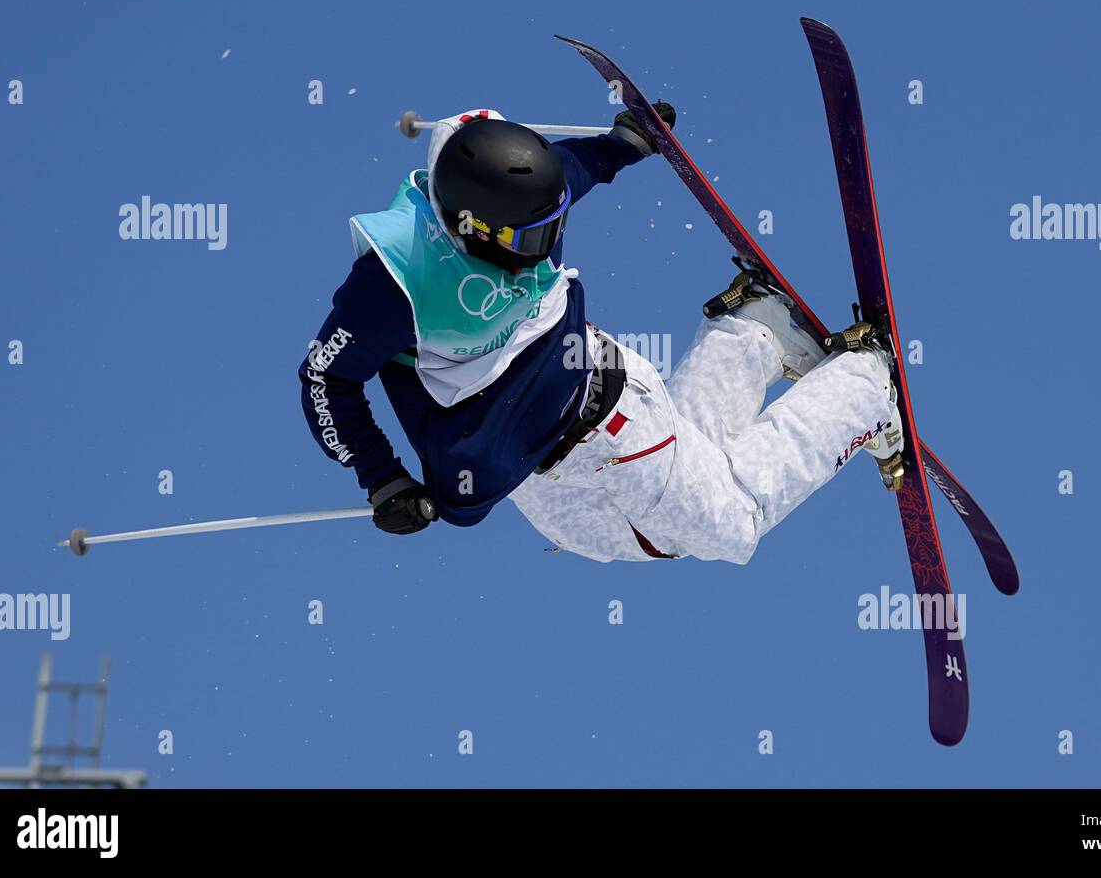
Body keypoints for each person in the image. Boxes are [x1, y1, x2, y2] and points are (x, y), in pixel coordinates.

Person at [299, 108, 901, 564]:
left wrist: (623, 144)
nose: (544, 249)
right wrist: (382, 478)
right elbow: (326, 378)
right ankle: (752, 334)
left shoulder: (525, 203)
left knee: (731, 521)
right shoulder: (398, 282)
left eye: (553, 225)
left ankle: (863, 388)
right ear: (469, 225)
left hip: (608, 417)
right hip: (534, 478)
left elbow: (574, 170)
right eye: (531, 238)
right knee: (660, 537)